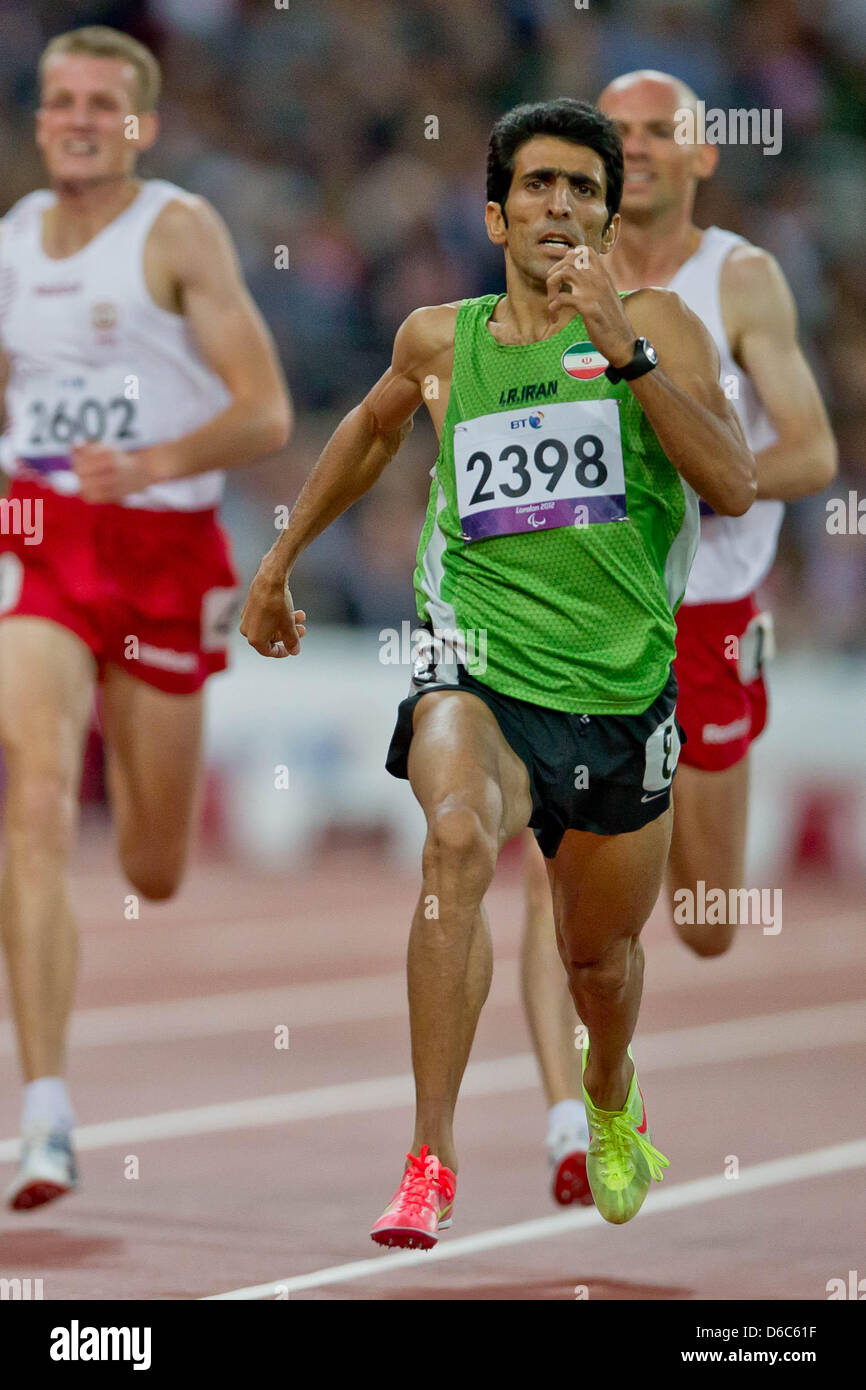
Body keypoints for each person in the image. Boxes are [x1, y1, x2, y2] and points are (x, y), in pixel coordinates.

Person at [240, 97, 756, 1239]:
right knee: (457, 833)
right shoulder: (440, 342)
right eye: (536, 185)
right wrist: (277, 562)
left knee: (597, 966)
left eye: (579, 185)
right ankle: (430, 1157)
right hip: (472, 665)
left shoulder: (660, 322)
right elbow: (372, 432)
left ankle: (610, 1093)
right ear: (495, 214)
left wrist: (626, 354)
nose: (558, 203)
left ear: (610, 215)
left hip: (619, 694)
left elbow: (730, 483)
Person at [521, 71, 837, 1210]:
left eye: (664, 132)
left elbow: (806, 449)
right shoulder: (545, 257)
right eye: (621, 131)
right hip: (572, 612)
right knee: (547, 874)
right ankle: (577, 1119)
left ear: (705, 158)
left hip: (704, 618)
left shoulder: (737, 279)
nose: (638, 148)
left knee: (699, 922)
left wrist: (700, 473)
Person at [0, 26, 292, 1210]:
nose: (75, 117)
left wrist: (156, 456)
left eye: (100, 103)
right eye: (58, 99)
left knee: (153, 863)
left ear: (140, 126)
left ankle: (52, 1097)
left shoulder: (177, 232)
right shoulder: (12, 242)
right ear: (37, 118)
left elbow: (266, 411)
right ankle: (46, 1112)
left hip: (164, 550)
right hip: (40, 533)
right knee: (29, 799)